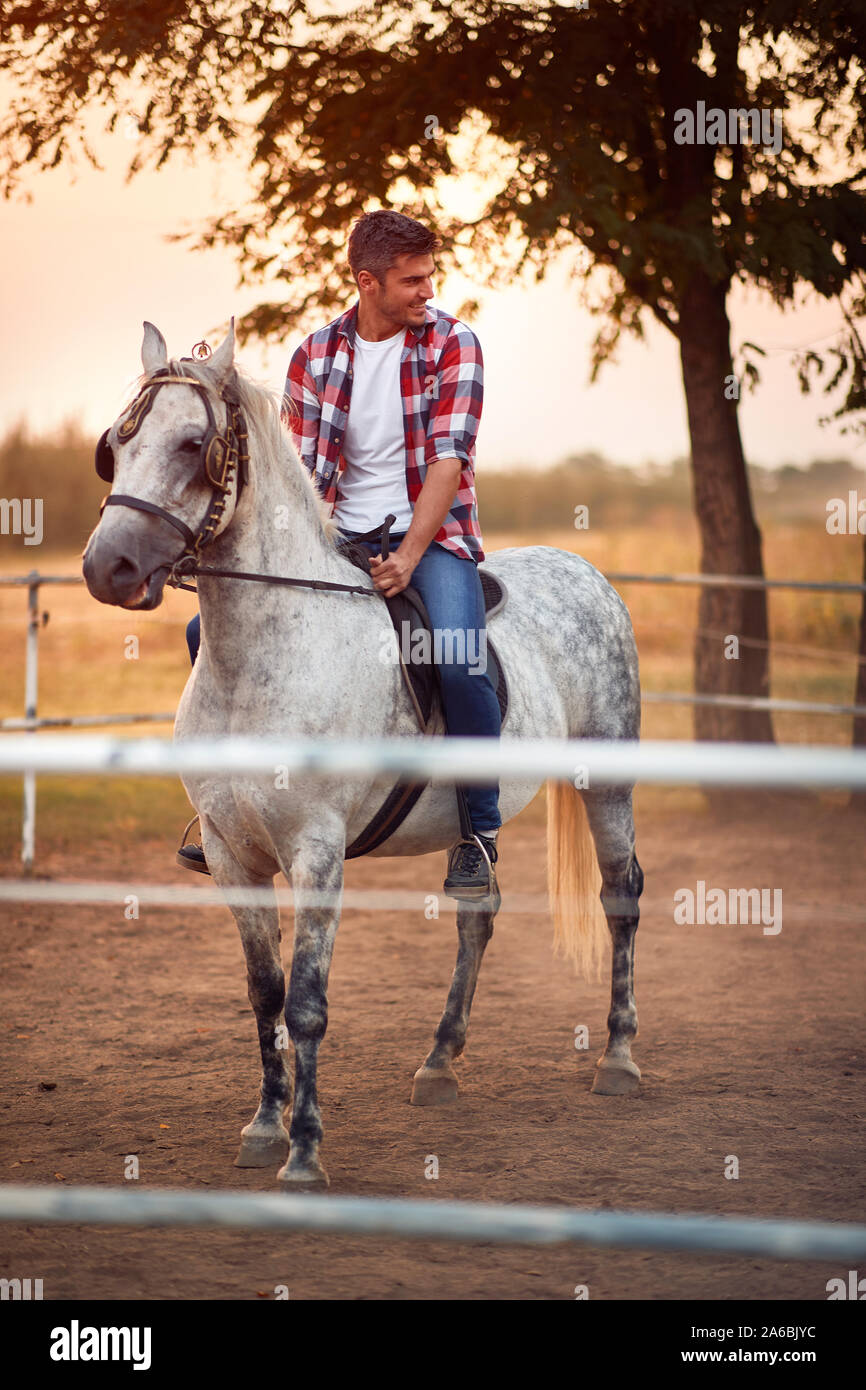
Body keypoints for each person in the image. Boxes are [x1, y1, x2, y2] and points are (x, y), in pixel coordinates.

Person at [177, 208, 501, 898]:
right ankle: (225, 809)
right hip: (337, 542)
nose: (427, 290)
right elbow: (298, 478)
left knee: (460, 658)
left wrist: (410, 557)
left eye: (429, 276)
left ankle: (478, 832)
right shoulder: (315, 356)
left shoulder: (455, 344)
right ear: (368, 281)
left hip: (431, 538)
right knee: (204, 632)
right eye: (412, 280)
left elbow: (449, 462)